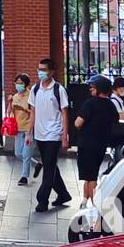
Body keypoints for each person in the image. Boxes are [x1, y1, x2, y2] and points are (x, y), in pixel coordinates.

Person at [30, 58, 72, 211]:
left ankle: (42, 200)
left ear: (51, 72)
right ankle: (63, 194)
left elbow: (65, 114)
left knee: (48, 168)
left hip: (54, 134)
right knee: (50, 165)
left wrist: (64, 136)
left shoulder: (58, 89)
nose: (40, 72)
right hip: (40, 134)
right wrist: (29, 133)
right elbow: (33, 112)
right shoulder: (35, 89)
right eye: (39, 68)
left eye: (44, 69)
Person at [73, 75, 117, 206]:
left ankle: (94, 205)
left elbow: (77, 123)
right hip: (101, 144)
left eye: (92, 87)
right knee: (91, 174)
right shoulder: (110, 105)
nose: (90, 90)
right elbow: (115, 121)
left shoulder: (90, 103)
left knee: (90, 176)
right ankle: (84, 200)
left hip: (86, 144)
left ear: (99, 89)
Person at [9, 73, 33, 185]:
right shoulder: (15, 96)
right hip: (18, 128)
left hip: (29, 128)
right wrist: (10, 102)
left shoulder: (31, 96)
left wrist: (24, 109)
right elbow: (10, 112)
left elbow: (34, 112)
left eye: (21, 83)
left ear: (26, 84)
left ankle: (24, 176)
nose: (18, 85)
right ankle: (36, 165)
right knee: (18, 153)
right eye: (17, 83)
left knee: (26, 154)